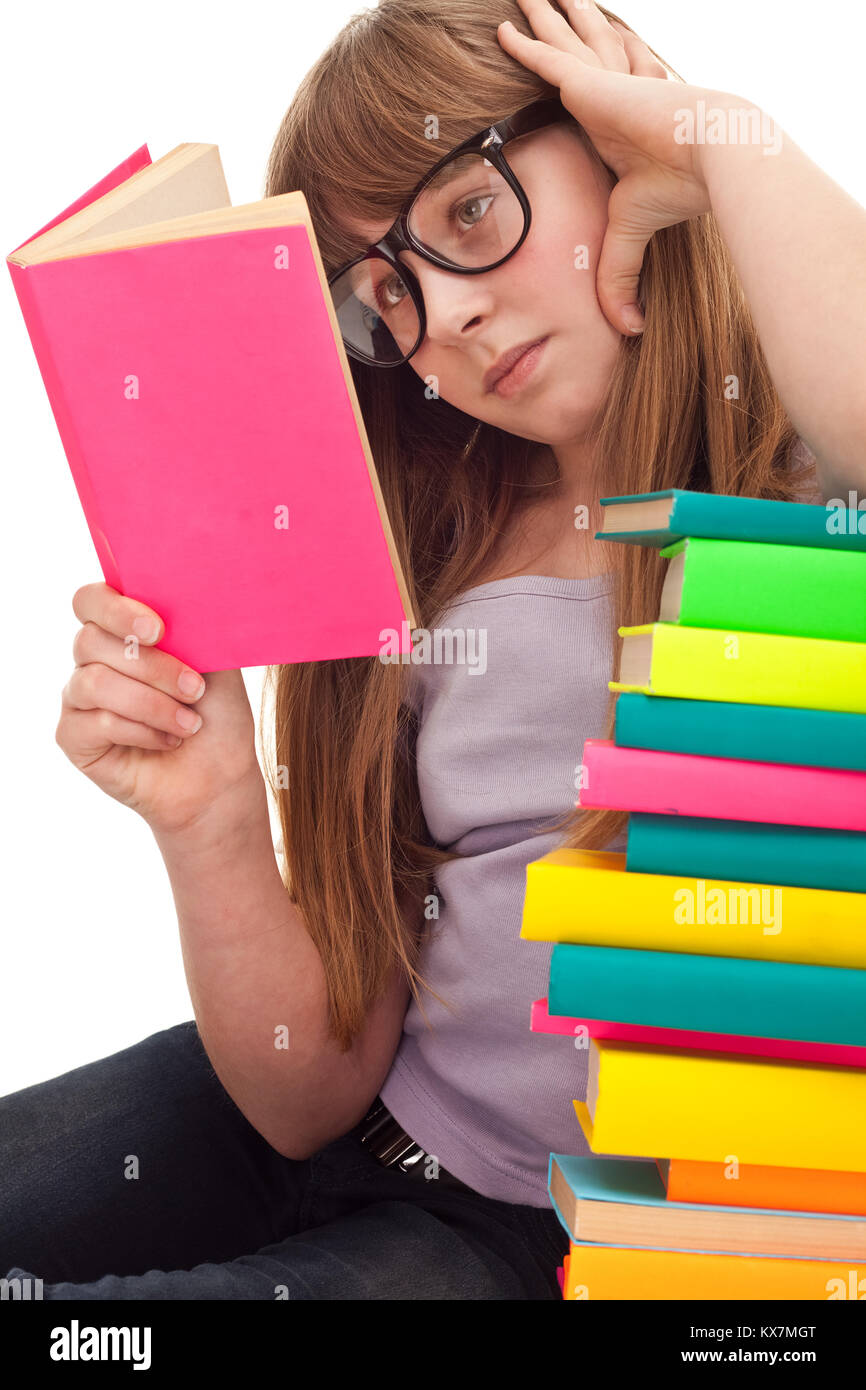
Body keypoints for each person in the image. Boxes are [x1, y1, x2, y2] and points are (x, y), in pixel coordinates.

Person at [2, 0, 858, 1300]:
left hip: (519, 1228)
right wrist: (215, 815)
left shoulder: (801, 513)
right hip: (338, 1124)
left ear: (618, 153)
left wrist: (714, 133)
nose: (444, 316)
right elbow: (305, 1091)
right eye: (385, 292)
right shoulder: (421, 551)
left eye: (469, 212)